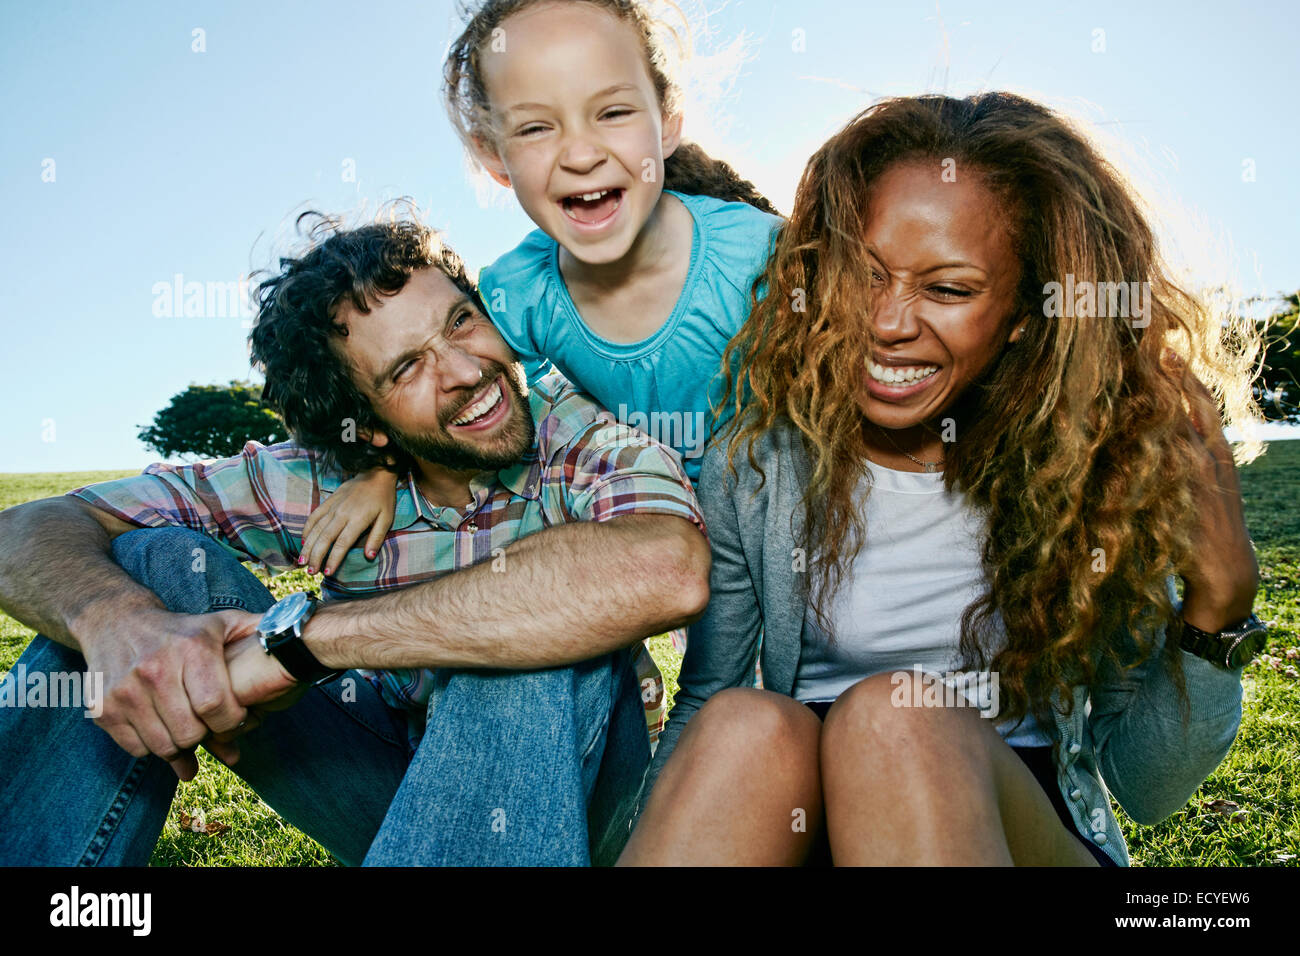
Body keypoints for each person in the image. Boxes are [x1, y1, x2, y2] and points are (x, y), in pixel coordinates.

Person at [619, 92, 1264, 866]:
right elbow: (706, 695)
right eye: (864, 274)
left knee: (896, 716)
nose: (887, 322)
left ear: (1029, 312)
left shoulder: (1098, 469)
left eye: (949, 289)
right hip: (809, 819)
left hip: (1013, 826)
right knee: (740, 724)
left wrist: (1219, 609)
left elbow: (1147, 785)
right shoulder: (757, 463)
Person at [0, 212, 710, 867]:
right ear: (366, 426)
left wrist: (310, 641)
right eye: (407, 368)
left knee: (525, 626)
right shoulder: (318, 478)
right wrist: (115, 624)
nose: (466, 371)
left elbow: (667, 567)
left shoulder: (570, 424)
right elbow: (26, 532)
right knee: (140, 563)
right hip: (390, 789)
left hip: (588, 806)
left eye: (461, 322)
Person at [301, 0, 782, 678]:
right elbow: (459, 397)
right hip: (653, 522)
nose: (582, 154)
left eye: (613, 112)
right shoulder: (515, 293)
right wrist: (380, 471)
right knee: (712, 694)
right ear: (494, 158)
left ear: (667, 120)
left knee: (803, 688)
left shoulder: (756, 249)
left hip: (786, 514)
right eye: (535, 128)